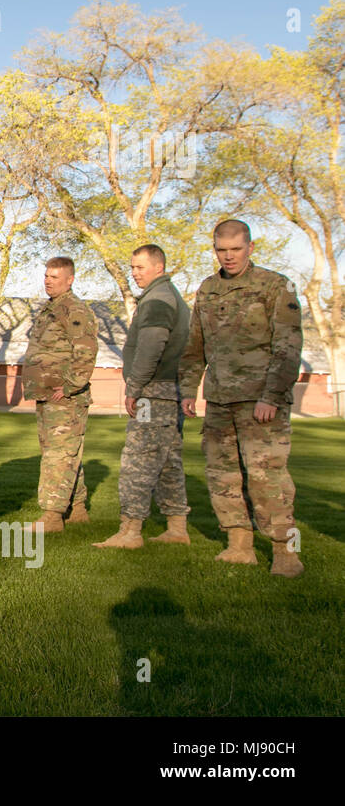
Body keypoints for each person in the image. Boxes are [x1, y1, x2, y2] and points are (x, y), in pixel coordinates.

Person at [181, 219, 305, 577]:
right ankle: (239, 546)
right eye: (222, 250)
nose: (229, 256)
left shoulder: (275, 285)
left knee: (269, 479)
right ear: (214, 249)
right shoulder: (207, 289)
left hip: (262, 402)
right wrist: (189, 389)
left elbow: (287, 347)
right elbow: (194, 346)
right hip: (219, 400)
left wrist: (272, 396)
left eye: (236, 249)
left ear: (250, 247)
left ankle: (286, 552)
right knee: (222, 475)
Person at [94, 245, 190, 549]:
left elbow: (151, 347)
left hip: (152, 393)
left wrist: (134, 387)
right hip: (168, 392)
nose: (134, 273)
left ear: (159, 267)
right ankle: (177, 528)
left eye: (141, 267)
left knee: (138, 459)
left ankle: (130, 531)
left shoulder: (157, 301)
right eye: (132, 267)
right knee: (168, 461)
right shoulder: (167, 296)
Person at [20, 257, 99, 534]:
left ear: (70, 279)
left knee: (58, 455)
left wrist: (68, 386)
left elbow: (85, 352)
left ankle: (52, 517)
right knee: (65, 453)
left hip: (65, 398)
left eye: (54, 276)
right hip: (47, 396)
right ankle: (77, 509)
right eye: (46, 276)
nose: (48, 280)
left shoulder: (74, 309)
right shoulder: (50, 309)